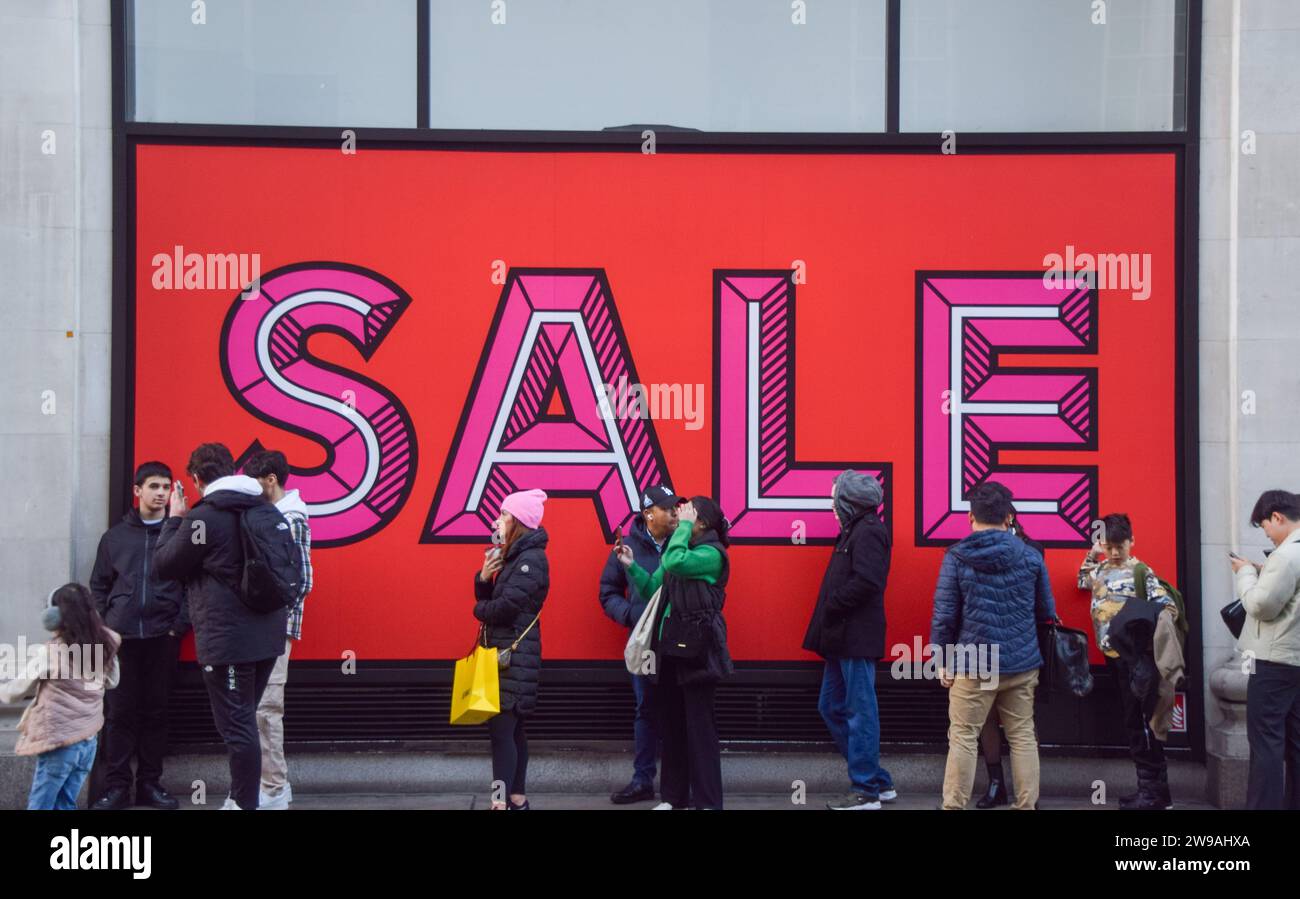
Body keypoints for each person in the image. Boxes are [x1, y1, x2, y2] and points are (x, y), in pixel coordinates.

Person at [153, 442, 289, 811]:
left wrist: (175, 518)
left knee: (237, 726)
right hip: (267, 639)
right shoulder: (263, 508)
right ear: (232, 469)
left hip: (229, 642)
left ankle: (244, 804)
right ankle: (241, 798)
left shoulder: (204, 519)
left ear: (196, 479)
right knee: (244, 720)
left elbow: (165, 566)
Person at [930, 481, 1056, 810]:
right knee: (1022, 735)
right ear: (1008, 518)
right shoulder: (1031, 556)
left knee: (963, 737)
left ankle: (953, 806)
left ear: (971, 517)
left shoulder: (956, 556)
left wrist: (942, 660)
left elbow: (944, 615)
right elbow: (1046, 611)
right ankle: (1026, 806)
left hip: (974, 665)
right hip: (1022, 662)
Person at [618, 495, 733, 810]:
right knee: (672, 727)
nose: (679, 516)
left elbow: (675, 562)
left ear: (703, 522)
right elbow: (653, 586)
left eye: (687, 513)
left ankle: (708, 802)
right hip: (669, 648)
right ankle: (673, 799)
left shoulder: (712, 554)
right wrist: (631, 566)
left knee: (700, 730)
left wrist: (679, 529)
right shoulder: (679, 547)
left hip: (699, 650)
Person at [86, 461, 186, 811]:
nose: (161, 493)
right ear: (137, 490)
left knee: (156, 713)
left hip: (162, 637)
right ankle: (116, 788)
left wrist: (178, 625)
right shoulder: (115, 538)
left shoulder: (177, 534)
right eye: (154, 486)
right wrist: (105, 627)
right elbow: (98, 585)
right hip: (122, 640)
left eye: (166, 487)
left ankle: (150, 785)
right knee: (119, 714)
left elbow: (192, 586)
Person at [802, 470, 895, 810]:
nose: (830, 505)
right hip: (842, 638)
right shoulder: (855, 530)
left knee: (860, 711)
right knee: (831, 707)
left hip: (855, 637)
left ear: (848, 501)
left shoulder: (868, 532)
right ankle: (879, 782)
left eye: (834, 498)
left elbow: (869, 581)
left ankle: (865, 791)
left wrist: (833, 603)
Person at [1079, 512, 1179, 810]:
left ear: (1132, 542)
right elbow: (1081, 579)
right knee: (1133, 723)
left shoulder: (1141, 572)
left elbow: (1168, 609)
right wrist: (1093, 553)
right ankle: (1148, 790)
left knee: (1143, 724)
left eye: (1119, 546)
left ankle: (1156, 794)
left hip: (1137, 662)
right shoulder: (1099, 570)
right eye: (1108, 546)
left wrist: (1136, 624)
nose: (1114, 552)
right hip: (1113, 660)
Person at [0, 584, 121, 810]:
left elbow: (13, 693)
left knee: (41, 805)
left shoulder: (52, 652)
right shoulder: (106, 645)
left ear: (54, 617)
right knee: (65, 804)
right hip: (88, 742)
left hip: (60, 741)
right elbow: (112, 682)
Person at [598, 483, 682, 804]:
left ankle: (679, 784)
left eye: (676, 507)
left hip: (678, 641)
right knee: (646, 709)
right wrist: (632, 614)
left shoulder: (684, 543)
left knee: (678, 711)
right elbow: (607, 592)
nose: (675, 513)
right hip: (645, 643)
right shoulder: (627, 547)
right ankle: (643, 780)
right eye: (668, 508)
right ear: (649, 513)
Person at [244, 450, 313, 811]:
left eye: (256, 482)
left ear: (270, 479)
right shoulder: (269, 515)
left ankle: (274, 787)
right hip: (260, 626)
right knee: (256, 708)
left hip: (276, 626)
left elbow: (302, 580)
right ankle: (264, 785)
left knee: (267, 708)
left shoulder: (292, 518)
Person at [474, 488, 550, 810]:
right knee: (512, 728)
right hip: (507, 656)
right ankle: (516, 798)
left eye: (504, 515)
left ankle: (500, 802)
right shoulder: (514, 555)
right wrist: (483, 577)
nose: (498, 520)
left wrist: (479, 609)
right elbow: (491, 597)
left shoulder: (531, 560)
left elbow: (503, 607)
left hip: (513, 658)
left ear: (518, 521)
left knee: (503, 732)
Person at [1232, 489, 1300, 809]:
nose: (1268, 534)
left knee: (1265, 744)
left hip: (1271, 662)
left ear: (1277, 517)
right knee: (1295, 743)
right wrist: (1263, 572)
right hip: (1294, 660)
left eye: (1264, 526)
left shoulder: (1286, 555)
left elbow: (1260, 606)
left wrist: (1245, 573)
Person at [976, 508, 1045, 809]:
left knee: (1021, 724)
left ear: (1008, 518)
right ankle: (996, 785)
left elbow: (1041, 602)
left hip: (1020, 647)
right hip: (983, 646)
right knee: (986, 719)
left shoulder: (1032, 550)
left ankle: (1027, 795)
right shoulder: (972, 549)